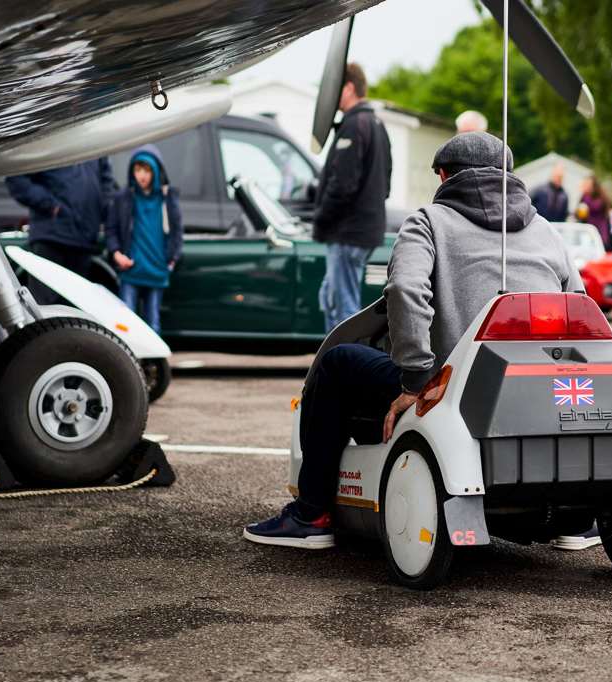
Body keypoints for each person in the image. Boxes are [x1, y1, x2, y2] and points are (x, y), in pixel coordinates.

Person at [243, 132, 582, 549]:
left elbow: (404, 289)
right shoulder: (547, 231)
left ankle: (312, 513)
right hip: (539, 386)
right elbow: (579, 305)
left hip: (456, 386)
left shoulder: (428, 221)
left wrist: (417, 380)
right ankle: (574, 518)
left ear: (443, 175)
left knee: (337, 363)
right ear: (508, 176)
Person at [313, 62, 392, 333]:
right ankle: (337, 364)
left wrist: (320, 218)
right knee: (331, 297)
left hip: (347, 233)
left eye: (336, 88)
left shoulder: (354, 125)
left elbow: (343, 184)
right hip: (364, 230)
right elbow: (386, 183)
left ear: (348, 88)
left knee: (342, 305)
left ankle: (342, 369)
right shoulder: (376, 124)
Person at [5, 158, 116, 305]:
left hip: (83, 242)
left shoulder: (95, 143)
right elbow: (16, 179)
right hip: (50, 239)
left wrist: (100, 212)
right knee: (44, 307)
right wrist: (50, 205)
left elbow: (107, 183)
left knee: (74, 310)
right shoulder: (50, 138)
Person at [105, 145, 183, 333]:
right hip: (131, 270)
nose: (142, 175)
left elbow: (177, 232)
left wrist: (172, 259)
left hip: (157, 270)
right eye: (138, 169)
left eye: (147, 170)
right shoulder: (123, 197)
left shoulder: (167, 198)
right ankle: (125, 362)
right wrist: (116, 253)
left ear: (156, 170)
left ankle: (151, 363)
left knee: (153, 325)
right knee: (125, 325)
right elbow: (111, 229)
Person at [576, 175, 612, 251]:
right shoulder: (585, 196)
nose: (586, 187)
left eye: (588, 185)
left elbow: (594, 207)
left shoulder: (600, 198)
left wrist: (585, 194)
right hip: (588, 232)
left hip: (599, 233)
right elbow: (579, 213)